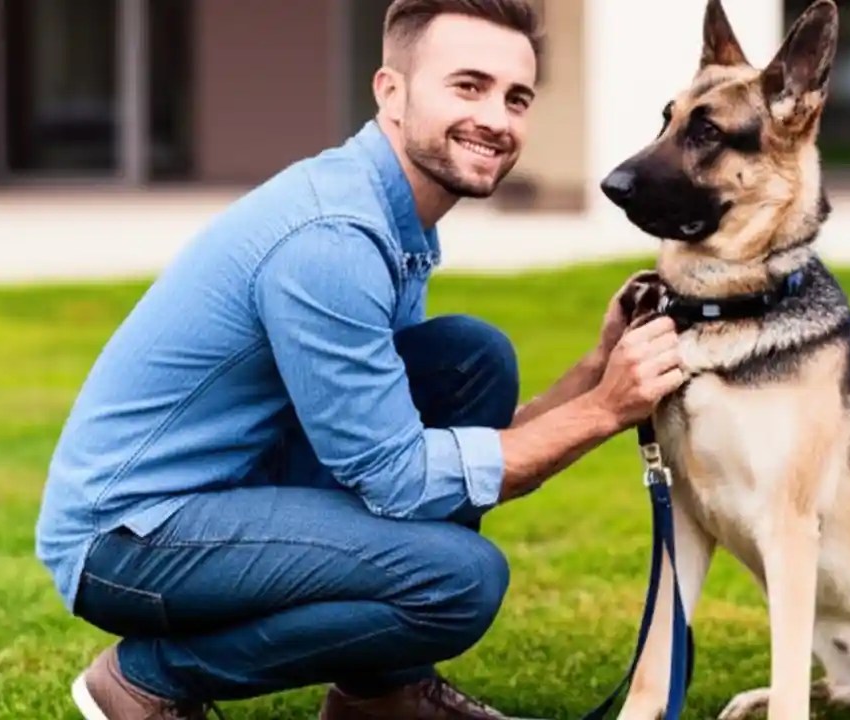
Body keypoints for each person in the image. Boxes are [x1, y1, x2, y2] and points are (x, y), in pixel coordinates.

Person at [35, 1, 685, 718]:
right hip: (133, 539)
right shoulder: (333, 238)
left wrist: (597, 367)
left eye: (516, 97)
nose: (498, 119)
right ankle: (146, 681)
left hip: (237, 485)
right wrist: (604, 410)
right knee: (459, 582)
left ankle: (382, 693)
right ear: (391, 92)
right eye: (467, 87)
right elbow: (401, 481)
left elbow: (415, 451)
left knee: (470, 359)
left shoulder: (388, 214)